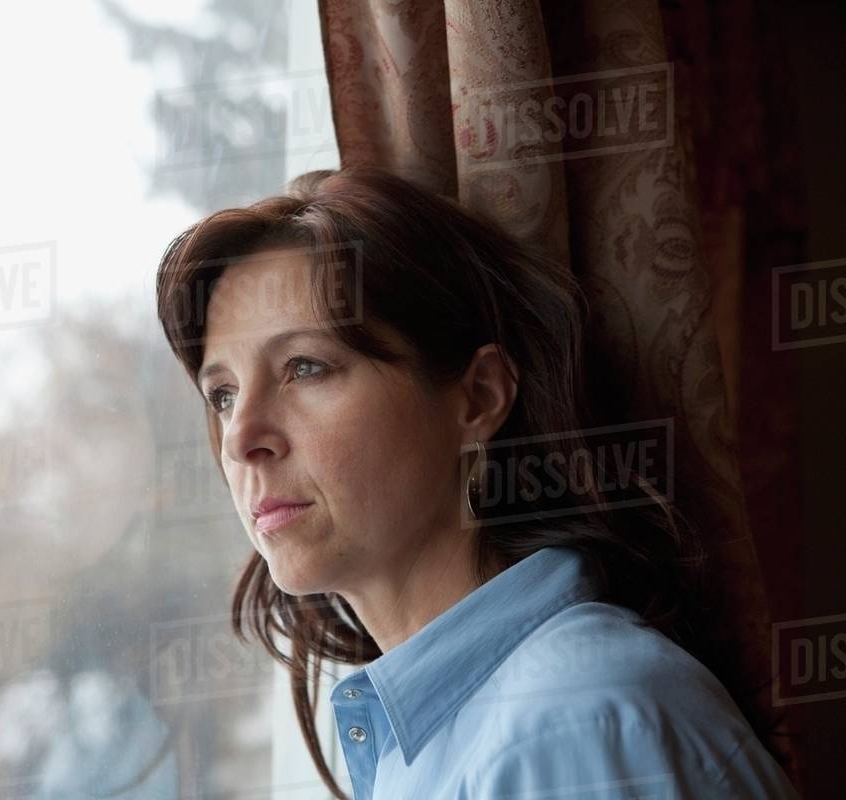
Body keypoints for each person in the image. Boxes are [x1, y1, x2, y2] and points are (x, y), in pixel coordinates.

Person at [153, 167, 800, 799]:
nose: (241, 438)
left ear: (478, 398)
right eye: (224, 394)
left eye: (305, 367)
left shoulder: (568, 729)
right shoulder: (445, 735)